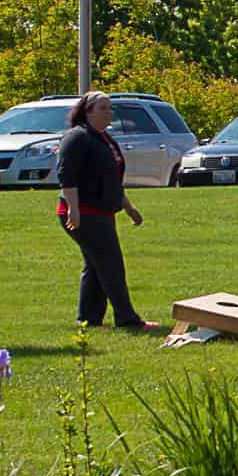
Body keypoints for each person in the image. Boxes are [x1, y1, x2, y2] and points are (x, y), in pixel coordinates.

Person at [57, 90, 160, 332]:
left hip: (101, 213)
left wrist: (128, 207)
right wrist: (73, 209)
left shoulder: (103, 139)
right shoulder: (77, 137)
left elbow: (111, 179)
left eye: (110, 108)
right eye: (102, 108)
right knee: (110, 264)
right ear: (87, 112)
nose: (108, 112)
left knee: (96, 265)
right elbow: (66, 175)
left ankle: (88, 320)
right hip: (83, 212)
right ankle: (127, 319)